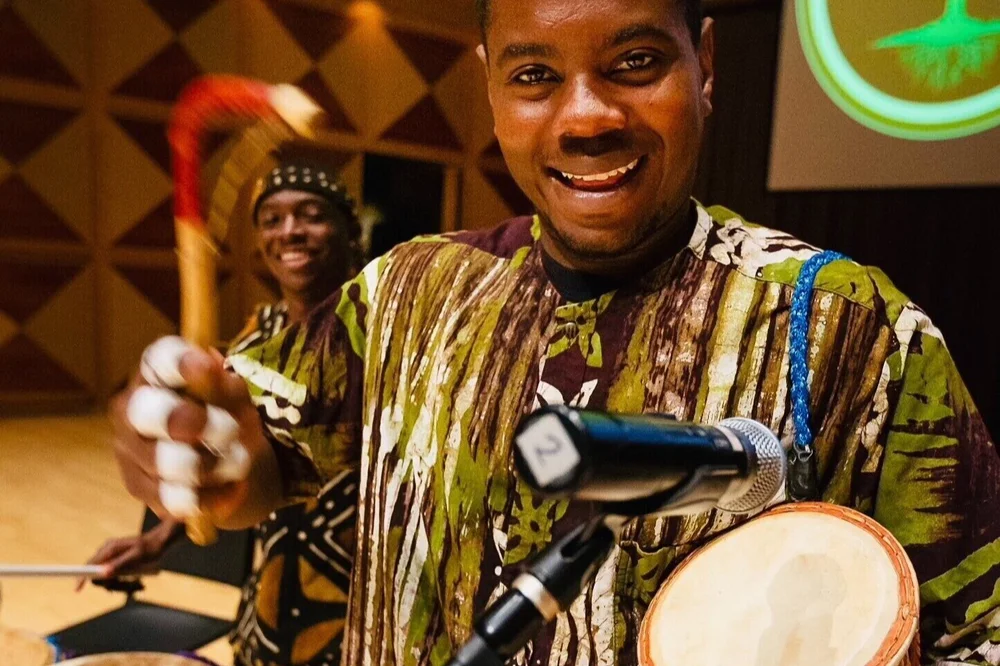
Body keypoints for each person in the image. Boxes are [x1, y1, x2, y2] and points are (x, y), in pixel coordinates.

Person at [109, 1, 1000, 664]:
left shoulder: (853, 332)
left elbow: (979, 634)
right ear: (490, 83)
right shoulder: (405, 294)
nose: (585, 117)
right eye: (534, 76)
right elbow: (263, 456)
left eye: (637, 61)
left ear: (707, 65)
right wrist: (204, 455)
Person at [86, 157, 364, 666]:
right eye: (271, 220)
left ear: (350, 231)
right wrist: (162, 533)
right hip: (269, 605)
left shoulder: (382, 331)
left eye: (311, 215)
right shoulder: (255, 337)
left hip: (364, 612)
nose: (290, 232)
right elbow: (223, 459)